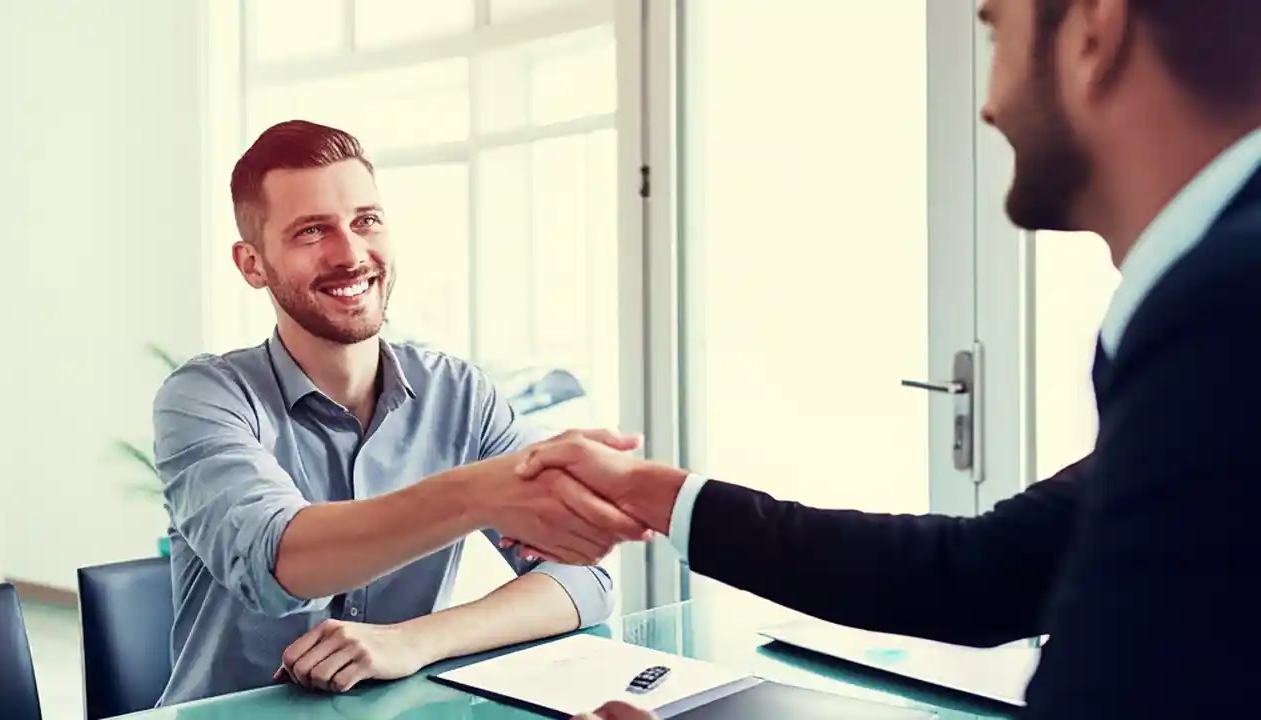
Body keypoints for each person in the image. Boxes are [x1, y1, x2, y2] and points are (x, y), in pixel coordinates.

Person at [533, 0, 1261, 717]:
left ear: (1094, 33)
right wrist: (654, 494)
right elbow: (980, 573)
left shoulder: (1224, 315)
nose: (989, 107)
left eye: (993, 29)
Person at [152, 120, 650, 704]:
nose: (350, 253)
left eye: (365, 220)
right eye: (312, 231)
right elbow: (277, 565)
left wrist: (412, 641)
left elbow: (582, 578)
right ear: (252, 264)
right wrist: (480, 493)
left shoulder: (460, 394)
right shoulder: (205, 397)